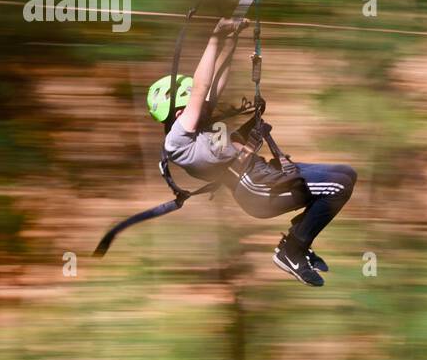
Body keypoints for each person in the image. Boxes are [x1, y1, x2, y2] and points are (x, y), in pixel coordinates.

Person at [146, 16, 356, 286]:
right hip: (256, 189)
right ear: (177, 111)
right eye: (189, 106)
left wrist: (231, 37)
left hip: (261, 173)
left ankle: (297, 242)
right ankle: (292, 250)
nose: (200, 107)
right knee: (337, 187)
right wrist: (214, 35)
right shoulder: (177, 140)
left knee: (347, 174)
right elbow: (200, 89)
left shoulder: (195, 128)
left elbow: (214, 83)